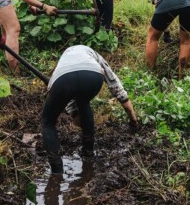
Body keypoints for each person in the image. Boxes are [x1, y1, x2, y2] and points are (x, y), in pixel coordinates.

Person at [42, 45, 138, 174]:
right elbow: (114, 84)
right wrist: (133, 119)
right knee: (83, 102)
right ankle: (88, 153)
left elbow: (65, 100)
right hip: (92, 75)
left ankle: (56, 171)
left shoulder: (62, 62)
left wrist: (75, 115)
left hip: (63, 79)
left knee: (48, 122)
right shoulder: (95, 57)